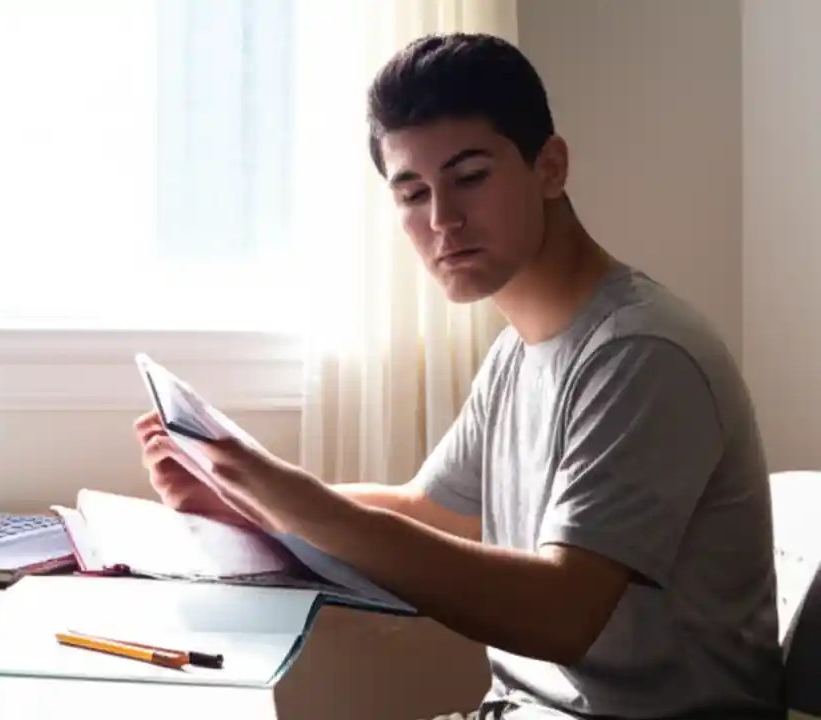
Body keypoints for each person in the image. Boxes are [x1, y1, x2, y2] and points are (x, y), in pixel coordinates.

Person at [134, 33, 783, 720]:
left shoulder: (641, 354)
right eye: (412, 192)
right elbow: (427, 511)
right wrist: (244, 505)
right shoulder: (514, 355)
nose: (442, 220)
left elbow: (562, 614)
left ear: (551, 167)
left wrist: (292, 498)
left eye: (470, 177)